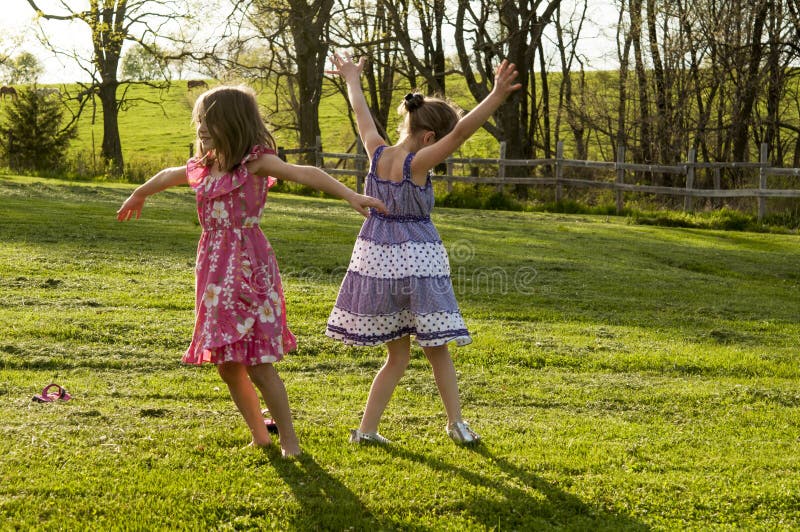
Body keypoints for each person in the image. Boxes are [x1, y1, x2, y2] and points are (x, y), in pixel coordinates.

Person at [117, 84, 387, 457]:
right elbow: (166, 175)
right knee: (227, 364)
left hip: (247, 266)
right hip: (213, 273)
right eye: (199, 121)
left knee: (258, 363)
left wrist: (351, 195)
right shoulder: (204, 167)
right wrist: (140, 193)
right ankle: (260, 436)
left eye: (210, 121)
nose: (201, 129)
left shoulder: (254, 164)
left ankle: (290, 443)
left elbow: (306, 173)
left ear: (234, 122)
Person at [325, 52, 521, 445]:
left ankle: (366, 430)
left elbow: (361, 112)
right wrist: (496, 96)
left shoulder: (376, 151)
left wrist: (351, 78)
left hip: (376, 261)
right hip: (416, 260)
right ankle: (456, 424)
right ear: (430, 137)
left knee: (396, 357)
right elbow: (462, 133)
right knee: (437, 348)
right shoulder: (418, 164)